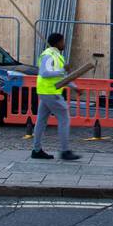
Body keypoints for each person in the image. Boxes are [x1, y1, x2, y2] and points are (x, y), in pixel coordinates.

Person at [31, 33, 81, 162]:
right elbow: (44, 73)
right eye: (63, 41)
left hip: (47, 91)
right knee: (64, 118)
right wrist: (62, 71)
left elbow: (61, 77)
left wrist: (73, 86)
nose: (64, 43)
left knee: (41, 121)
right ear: (58, 42)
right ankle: (64, 151)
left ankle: (36, 150)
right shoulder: (49, 55)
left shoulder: (57, 56)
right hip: (51, 92)